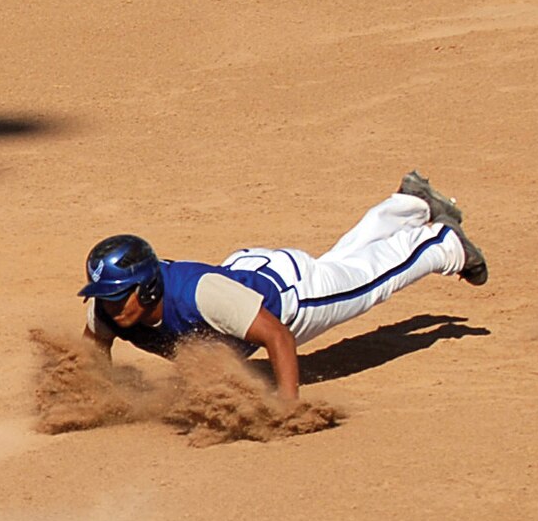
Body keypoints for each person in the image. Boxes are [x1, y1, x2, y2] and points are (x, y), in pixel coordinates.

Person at [77, 171, 487, 402]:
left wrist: (287, 407)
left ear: (148, 290)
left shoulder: (201, 296)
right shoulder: (105, 310)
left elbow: (278, 336)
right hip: (243, 276)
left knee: (367, 282)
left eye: (116, 296)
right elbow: (93, 359)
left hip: (291, 295)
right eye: (103, 296)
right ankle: (410, 204)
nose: (108, 306)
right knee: (344, 264)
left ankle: (442, 244)